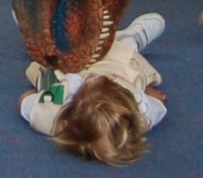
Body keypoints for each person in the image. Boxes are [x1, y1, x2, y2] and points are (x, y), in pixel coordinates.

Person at [19, 12, 166, 165]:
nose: (96, 76)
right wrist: (150, 92)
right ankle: (131, 40)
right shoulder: (141, 111)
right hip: (120, 71)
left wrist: (36, 95)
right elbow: (157, 101)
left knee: (55, 62)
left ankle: (38, 36)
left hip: (71, 70)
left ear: (70, 105)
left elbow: (24, 100)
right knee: (126, 56)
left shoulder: (51, 114)